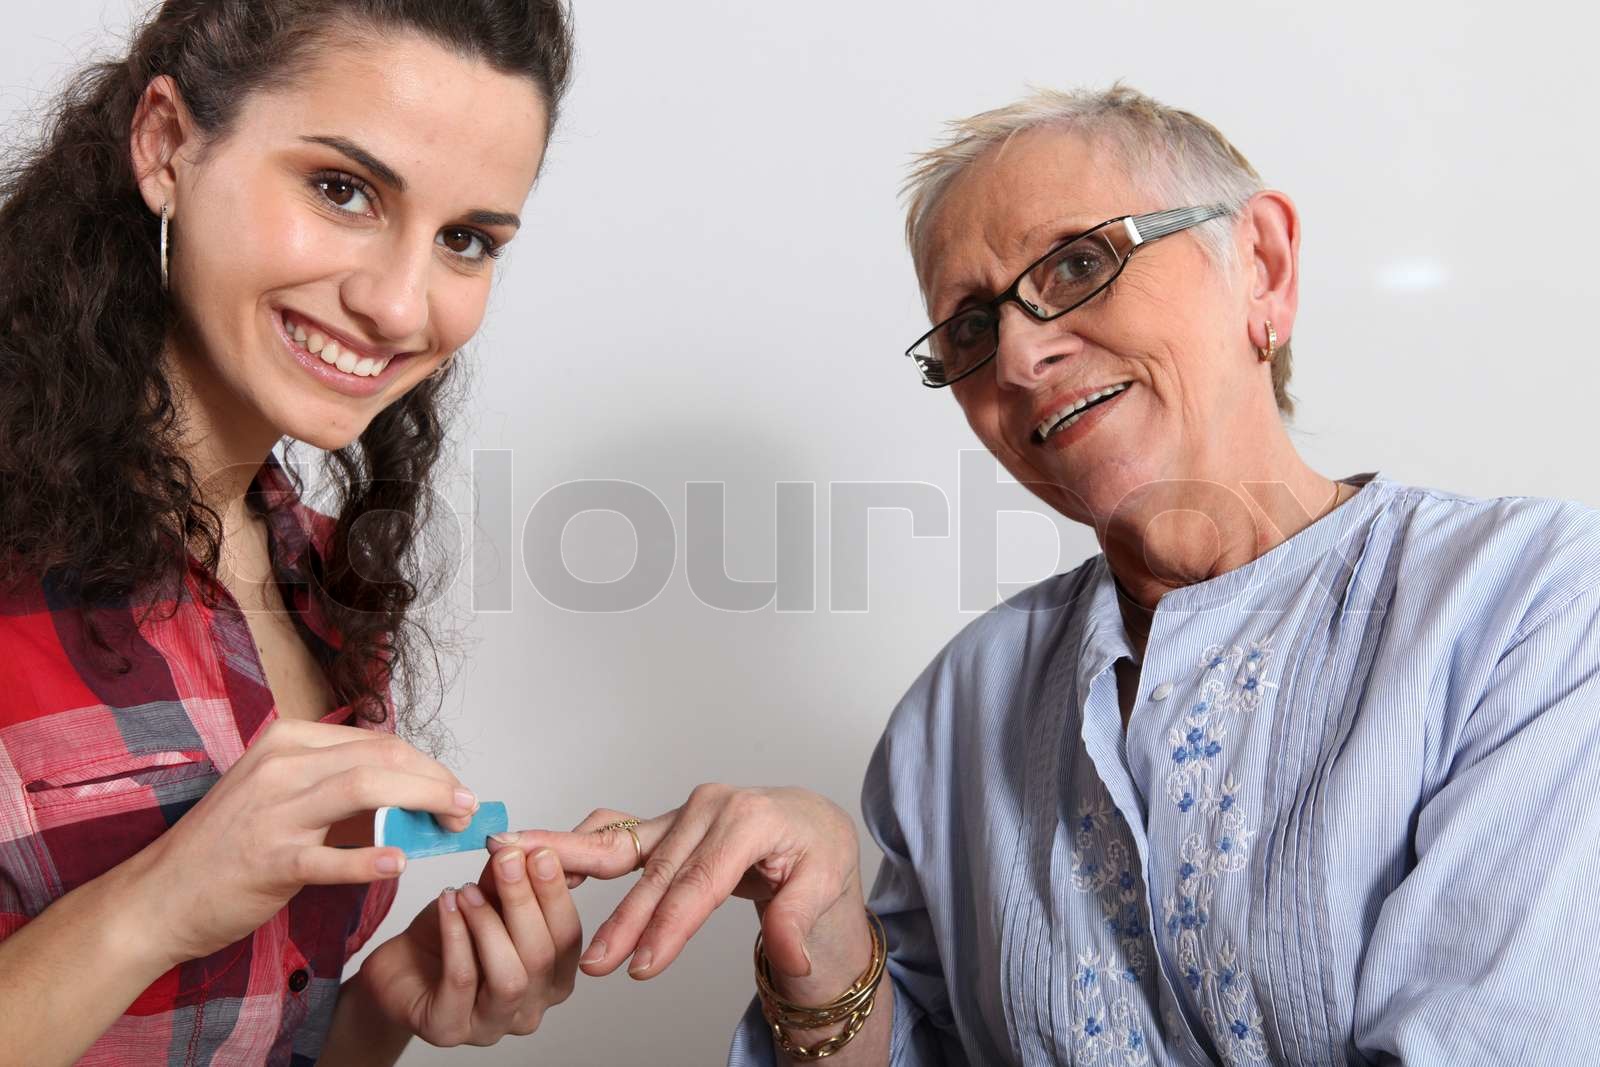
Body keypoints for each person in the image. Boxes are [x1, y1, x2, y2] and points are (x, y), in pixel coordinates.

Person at [509, 85, 1600, 1064]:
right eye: (972, 327)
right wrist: (830, 921)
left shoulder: (1531, 606)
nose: (1021, 358)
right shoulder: (956, 707)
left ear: (1260, 267)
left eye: (1078, 262)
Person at [0, 2, 582, 1063]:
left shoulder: (322, 575)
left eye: (465, 239)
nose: (401, 306)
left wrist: (378, 1011)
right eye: (341, 189)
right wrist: (154, 904)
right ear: (167, 146)